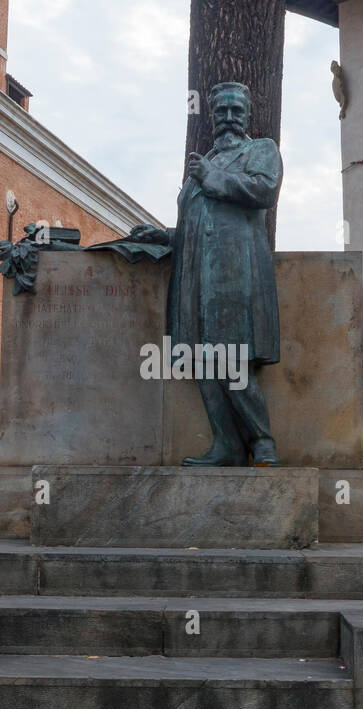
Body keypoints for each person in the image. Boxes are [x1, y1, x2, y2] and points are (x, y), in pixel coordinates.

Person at [130, 81, 284, 467]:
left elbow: (264, 191)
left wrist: (211, 176)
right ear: (212, 116)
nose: (229, 118)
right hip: (195, 275)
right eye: (222, 112)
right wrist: (166, 236)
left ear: (247, 115)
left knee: (233, 358)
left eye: (236, 111)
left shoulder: (260, 150)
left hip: (236, 272)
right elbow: (196, 223)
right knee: (202, 358)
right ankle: (227, 444)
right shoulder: (206, 162)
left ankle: (263, 443)